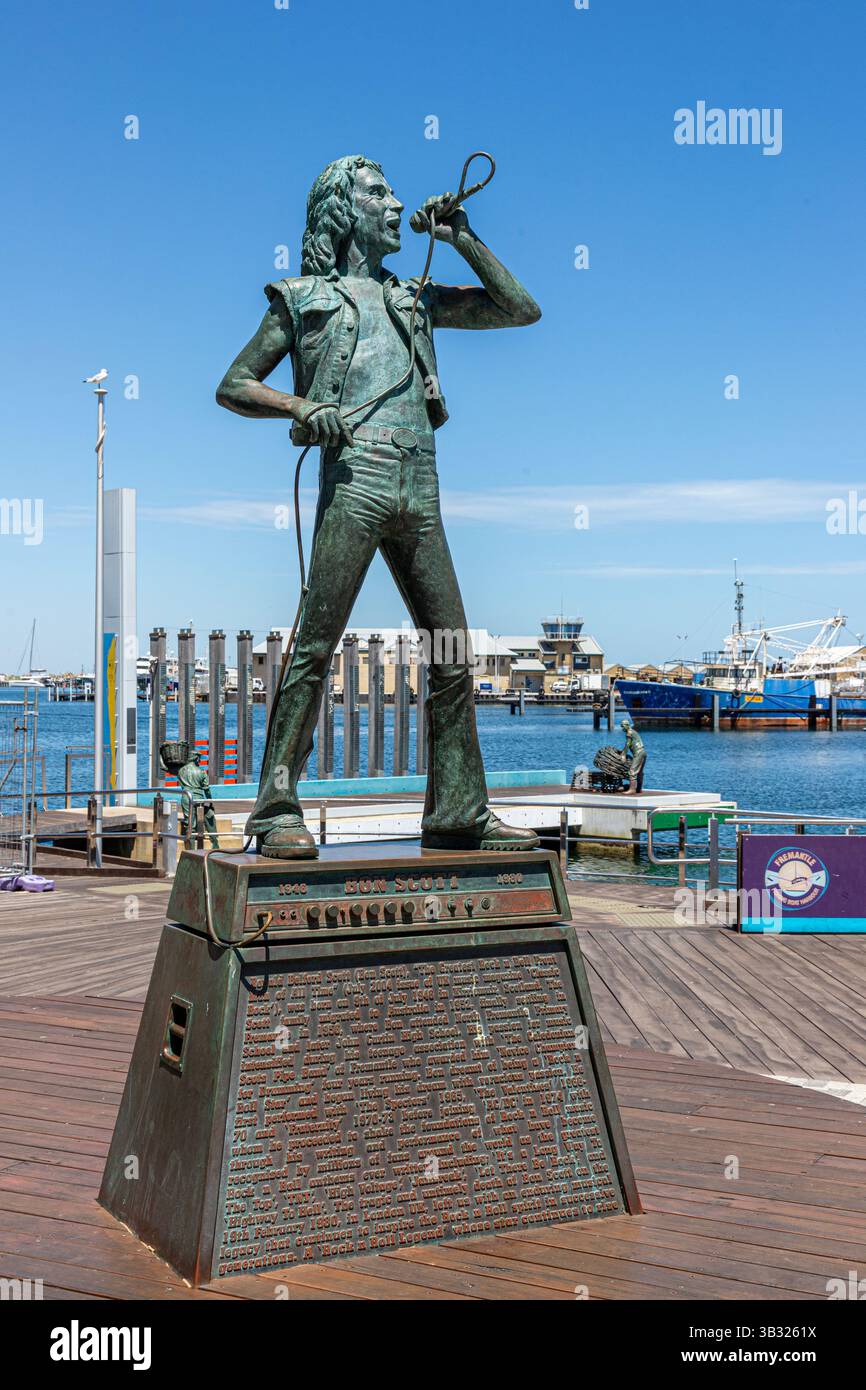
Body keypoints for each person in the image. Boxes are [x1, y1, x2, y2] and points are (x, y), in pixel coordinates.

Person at [217, 155, 542, 859]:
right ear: (343, 211)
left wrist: (462, 237)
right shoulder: (302, 298)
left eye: (394, 193)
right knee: (315, 647)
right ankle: (276, 811)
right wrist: (301, 406)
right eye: (379, 193)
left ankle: (458, 812)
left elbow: (519, 309)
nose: (395, 204)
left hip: (420, 484)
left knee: (453, 654)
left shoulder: (415, 298)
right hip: (356, 478)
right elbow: (234, 384)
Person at [620, 718, 647, 793]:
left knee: (632, 770)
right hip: (643, 752)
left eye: (623, 726)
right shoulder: (634, 731)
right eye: (621, 726)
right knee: (640, 772)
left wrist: (624, 754)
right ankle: (639, 789)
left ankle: (632, 789)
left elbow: (628, 744)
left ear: (627, 725)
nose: (622, 728)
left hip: (638, 753)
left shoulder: (629, 732)